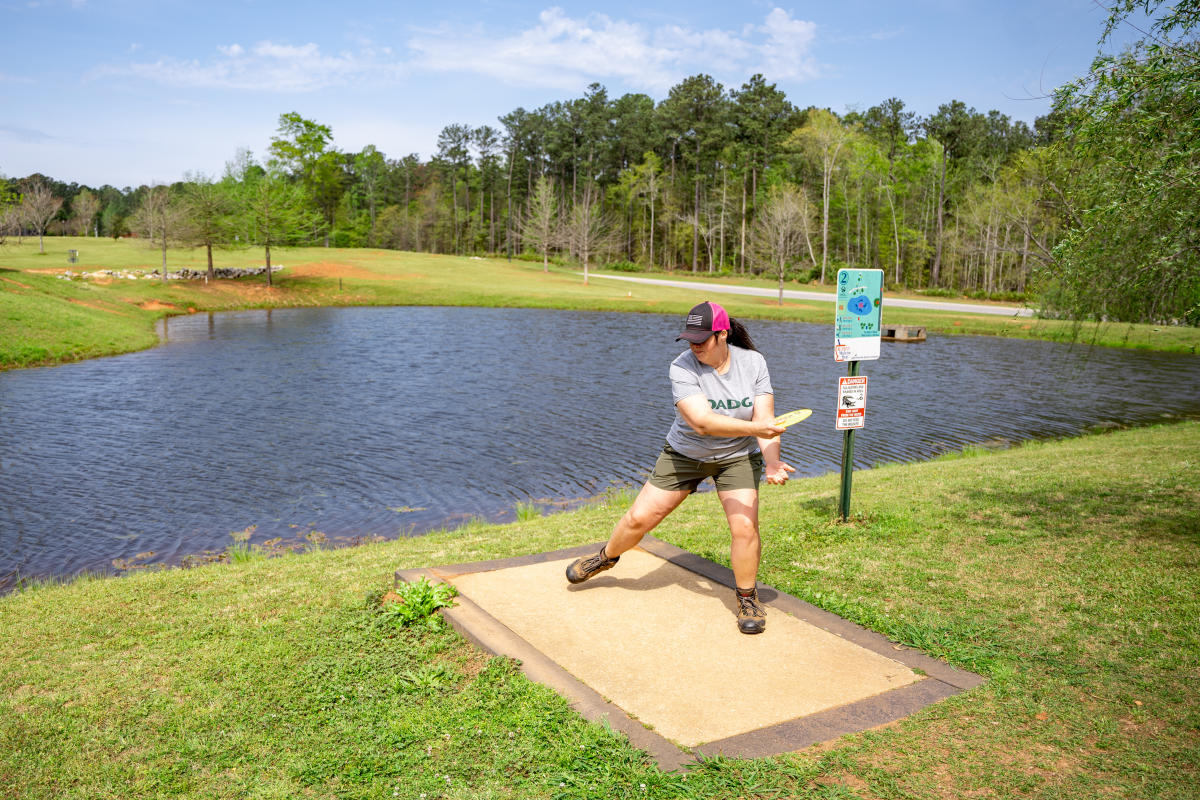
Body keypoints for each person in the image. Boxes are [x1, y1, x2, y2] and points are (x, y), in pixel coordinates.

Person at [566, 300, 795, 634]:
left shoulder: (753, 362)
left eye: (702, 339)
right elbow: (702, 422)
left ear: (722, 334)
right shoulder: (682, 367)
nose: (694, 345)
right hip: (685, 455)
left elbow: (765, 419)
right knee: (638, 519)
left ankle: (747, 597)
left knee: (745, 527)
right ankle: (606, 556)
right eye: (690, 338)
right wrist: (756, 430)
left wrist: (772, 462)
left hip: (736, 458)